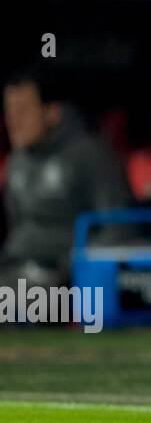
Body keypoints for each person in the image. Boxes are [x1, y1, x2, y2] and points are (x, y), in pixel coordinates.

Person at [2, 67, 130, 285]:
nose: (14, 121)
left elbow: (118, 227)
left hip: (65, 277)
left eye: (23, 111)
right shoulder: (17, 162)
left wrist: (76, 269)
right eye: (8, 111)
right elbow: (17, 224)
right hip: (15, 268)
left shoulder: (90, 154)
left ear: (52, 112)